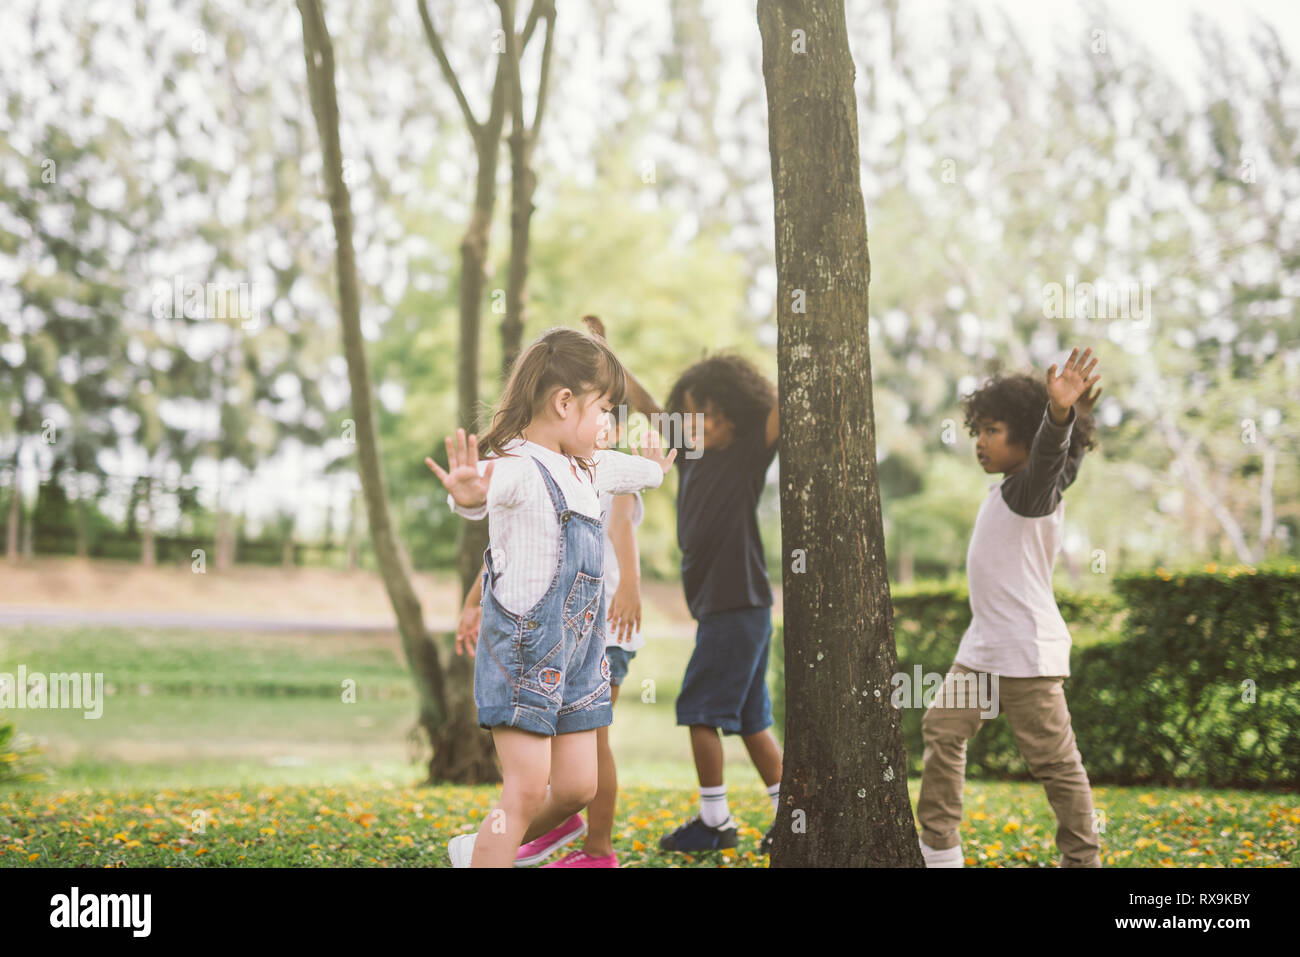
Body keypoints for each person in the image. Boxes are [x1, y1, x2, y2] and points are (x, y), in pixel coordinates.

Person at [427, 326, 675, 868]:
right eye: (604, 408)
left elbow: (633, 470)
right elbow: (485, 489)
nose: (609, 423)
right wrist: (470, 494)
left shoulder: (588, 467)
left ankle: (478, 851)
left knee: (575, 788)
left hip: (580, 657)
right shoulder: (518, 465)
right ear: (565, 403)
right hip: (523, 654)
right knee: (523, 791)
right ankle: (491, 849)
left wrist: (657, 468)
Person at [582, 315, 784, 855]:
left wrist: (796, 347)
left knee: (698, 710)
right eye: (691, 413)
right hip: (729, 609)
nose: (696, 423)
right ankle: (792, 815)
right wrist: (605, 355)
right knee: (750, 718)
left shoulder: (744, 457)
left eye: (710, 416)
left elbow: (777, 415)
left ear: (736, 419)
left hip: (736, 605)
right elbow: (645, 404)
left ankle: (715, 820)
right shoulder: (690, 454)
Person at [916, 346, 1104, 868]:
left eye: (992, 431)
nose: (979, 442)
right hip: (983, 648)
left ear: (1024, 435)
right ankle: (939, 849)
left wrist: (1062, 413)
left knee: (1055, 763)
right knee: (942, 728)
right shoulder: (1012, 490)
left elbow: (1051, 456)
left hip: (1024, 652)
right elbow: (1063, 461)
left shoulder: (1029, 492)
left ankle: (1082, 860)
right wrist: (1078, 414)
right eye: (978, 430)